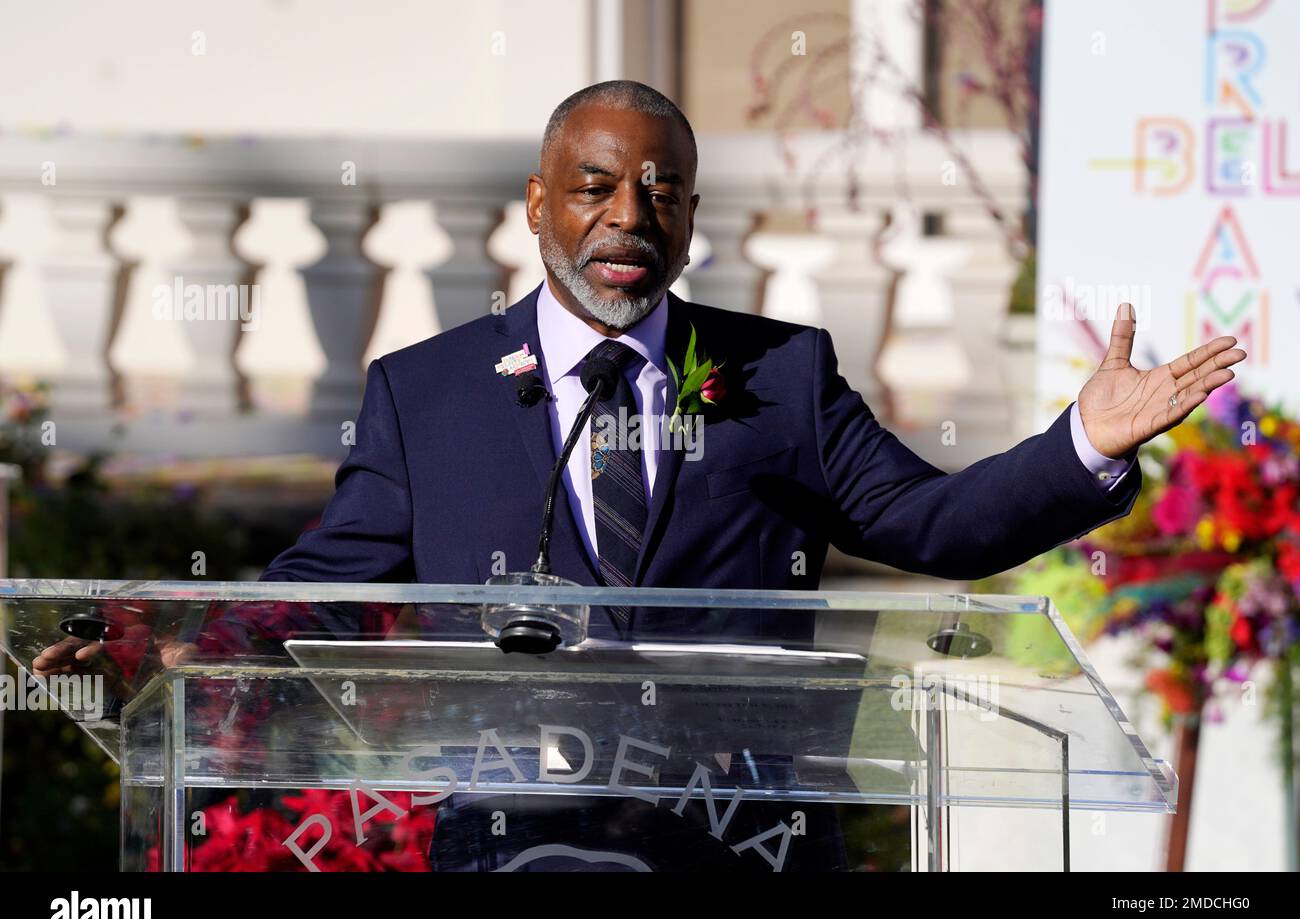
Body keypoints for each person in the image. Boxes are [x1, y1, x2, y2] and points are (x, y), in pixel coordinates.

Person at [35, 80, 1245, 872]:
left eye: (660, 189)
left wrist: (1081, 441)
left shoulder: (777, 374)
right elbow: (330, 586)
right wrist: (157, 636)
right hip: (511, 842)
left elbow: (932, 523)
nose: (630, 212)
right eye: (596, 184)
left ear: (690, 214)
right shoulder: (429, 390)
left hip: (742, 842)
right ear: (536, 206)